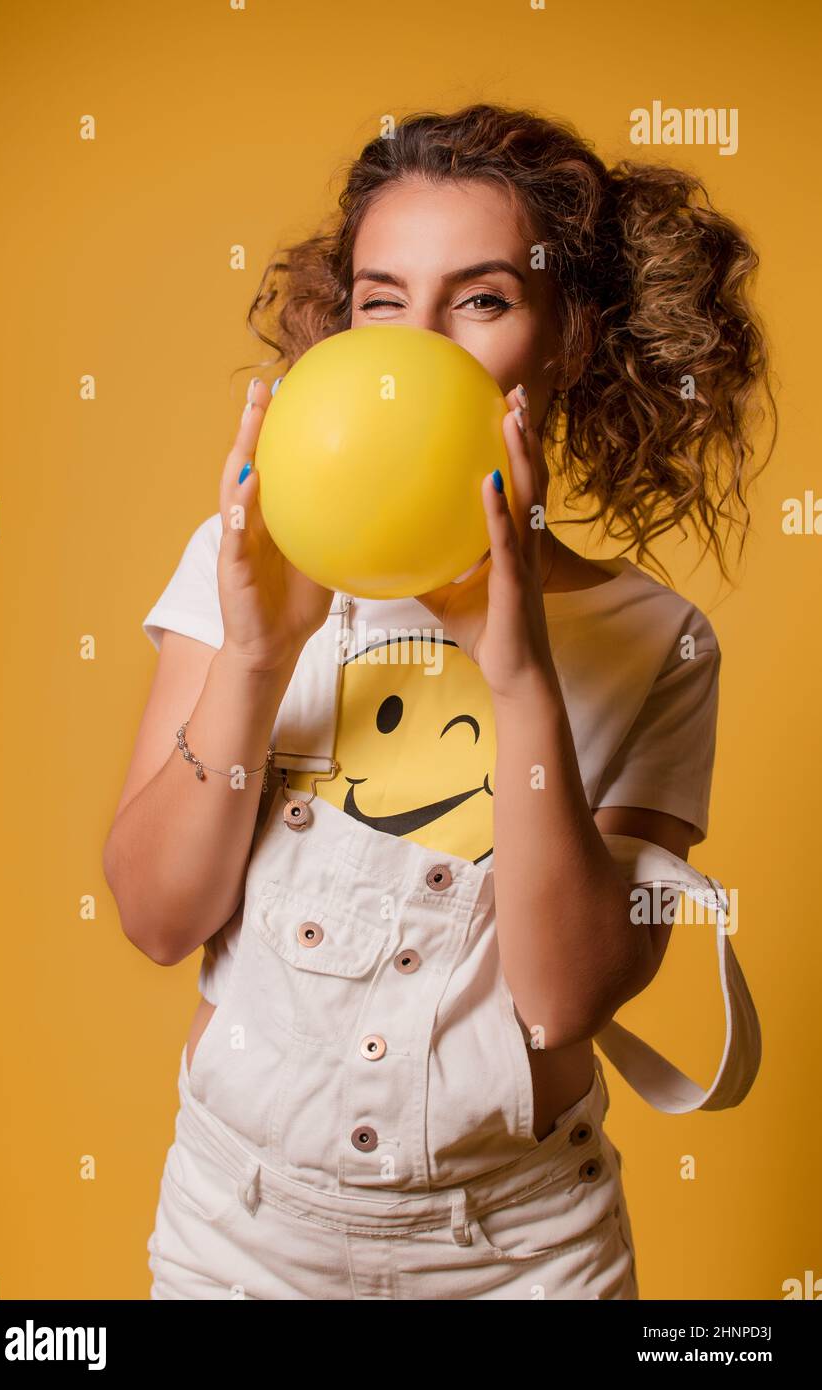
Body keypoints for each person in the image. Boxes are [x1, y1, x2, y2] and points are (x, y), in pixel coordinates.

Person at [103, 103, 771, 1300]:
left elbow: (562, 995)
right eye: (379, 299)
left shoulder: (655, 643)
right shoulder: (241, 560)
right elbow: (157, 917)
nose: (414, 347)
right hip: (238, 1229)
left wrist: (515, 674)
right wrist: (256, 655)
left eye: (480, 300)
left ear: (568, 340)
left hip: (519, 1250)